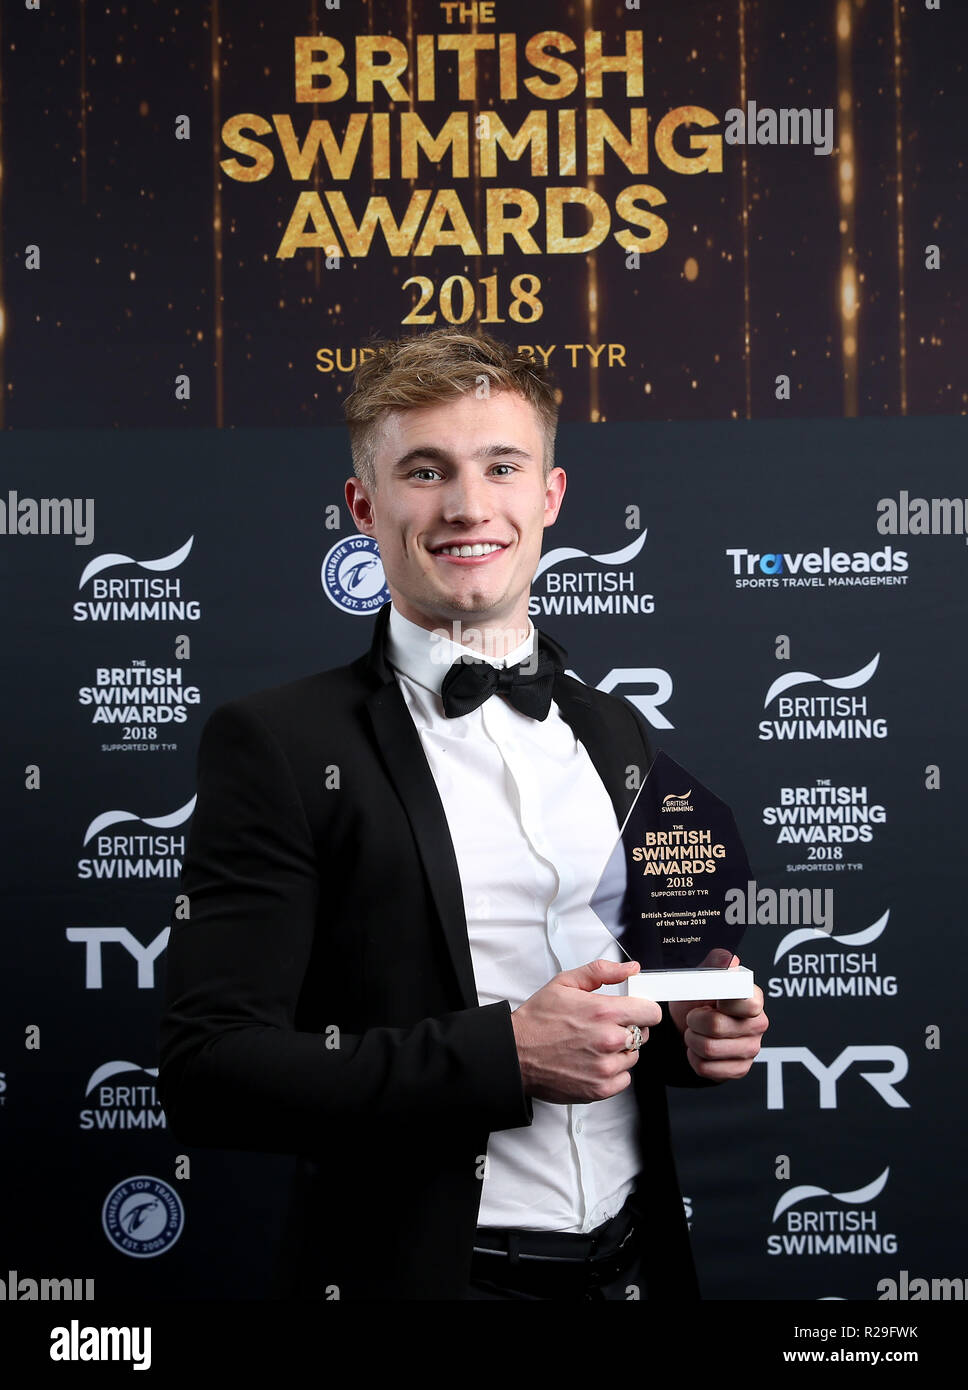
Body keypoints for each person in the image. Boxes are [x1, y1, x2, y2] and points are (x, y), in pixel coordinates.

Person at [157, 327, 768, 1301]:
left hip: (640, 1269)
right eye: (425, 470)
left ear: (548, 497)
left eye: (500, 466)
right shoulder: (278, 743)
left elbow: (615, 1005)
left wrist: (690, 1039)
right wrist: (503, 1056)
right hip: (428, 1282)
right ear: (364, 505)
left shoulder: (617, 734)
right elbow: (209, 1069)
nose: (468, 506)